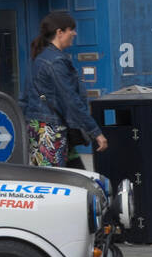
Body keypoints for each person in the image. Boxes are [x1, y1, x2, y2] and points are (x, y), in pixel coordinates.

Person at [18, 11, 107, 167]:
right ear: (60, 33)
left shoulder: (38, 57)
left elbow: (24, 98)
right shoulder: (56, 61)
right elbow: (70, 100)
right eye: (71, 29)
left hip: (39, 128)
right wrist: (96, 132)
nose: (74, 33)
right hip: (51, 131)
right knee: (55, 182)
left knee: (76, 176)